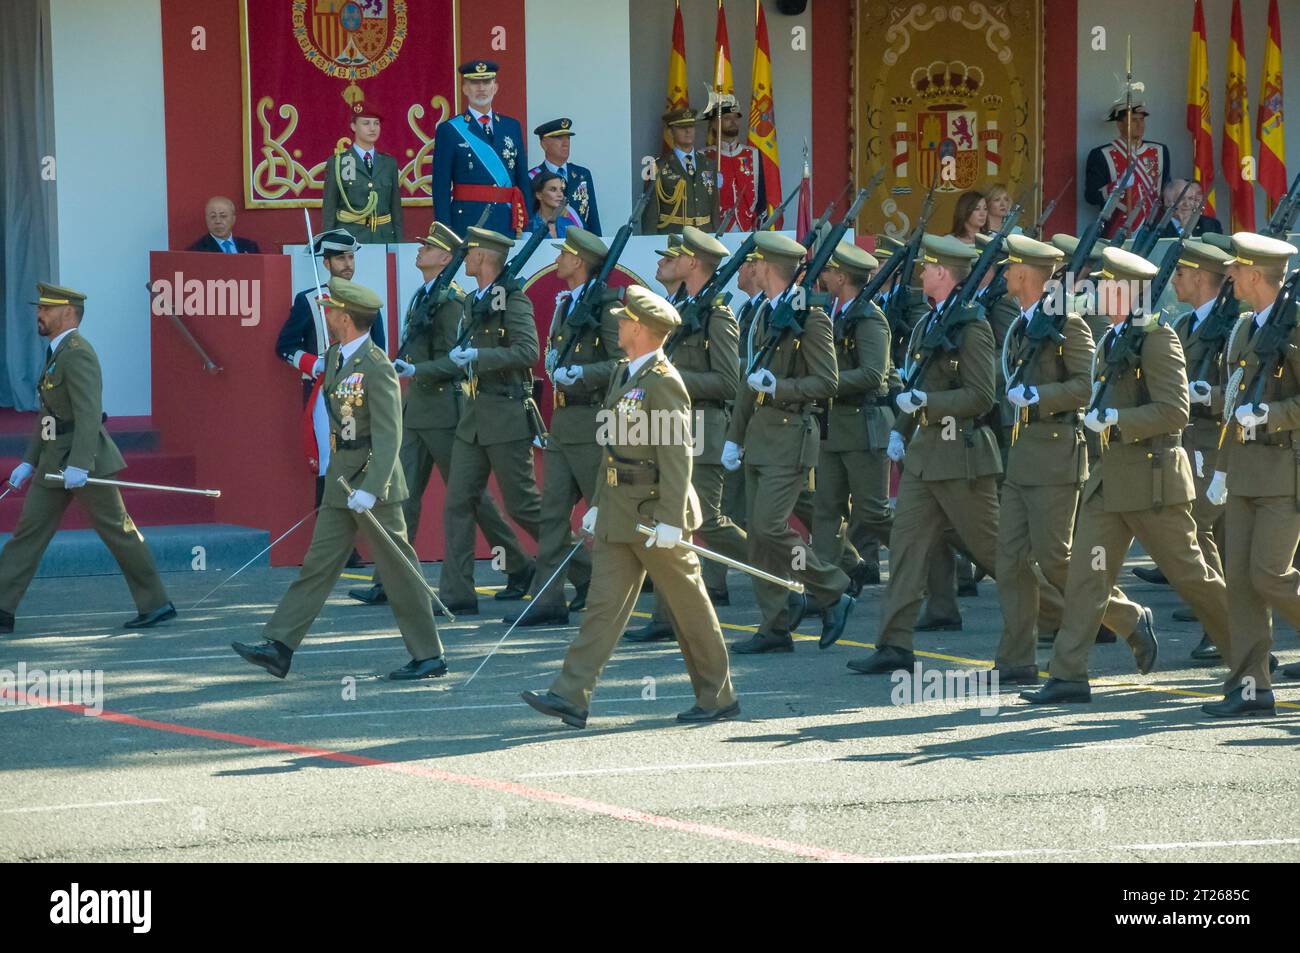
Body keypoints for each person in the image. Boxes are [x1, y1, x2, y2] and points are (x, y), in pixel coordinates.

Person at [1021, 246, 1233, 704]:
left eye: (1106, 283)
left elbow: (1174, 411)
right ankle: (1068, 674)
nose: (1097, 290)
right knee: (1087, 575)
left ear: (1126, 291)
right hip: (1110, 482)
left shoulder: (1156, 338)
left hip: (1152, 482)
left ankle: (1250, 654)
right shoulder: (1114, 338)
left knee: (1191, 576)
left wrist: (1115, 418)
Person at [521, 286, 739, 728]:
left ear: (640, 329)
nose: (618, 324)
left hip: (657, 514)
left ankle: (718, 696)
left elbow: (678, 453)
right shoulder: (625, 373)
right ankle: (571, 695)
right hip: (621, 510)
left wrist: (673, 520)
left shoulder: (663, 381)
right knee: (603, 606)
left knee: (689, 608)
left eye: (624, 320)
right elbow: (611, 451)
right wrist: (598, 503)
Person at [231, 277, 447, 681]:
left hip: (372, 485)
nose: (326, 313)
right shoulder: (334, 358)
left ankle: (429, 654)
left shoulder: (376, 364)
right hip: (341, 481)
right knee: (318, 564)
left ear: (345, 317)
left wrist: (371, 487)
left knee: (399, 572)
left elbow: (388, 434)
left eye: (331, 309)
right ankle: (280, 646)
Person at [349, 223, 531, 610]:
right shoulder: (425, 296)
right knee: (401, 498)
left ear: (446, 258)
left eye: (429, 247)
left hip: (447, 412)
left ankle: (518, 564)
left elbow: (455, 358)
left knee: (470, 499)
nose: (420, 251)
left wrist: (418, 370)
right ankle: (388, 579)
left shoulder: (451, 301)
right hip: (418, 412)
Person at [988, 235, 1145, 684]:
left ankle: (1128, 617)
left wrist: (1039, 395)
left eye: (1010, 267)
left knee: (1057, 559)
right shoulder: (1023, 324)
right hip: (1022, 456)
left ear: (1026, 274)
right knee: (1010, 560)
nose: (1004, 274)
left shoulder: (1069, 325)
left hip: (1056, 453)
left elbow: (1084, 386)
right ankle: (1016, 659)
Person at [847, 236, 1001, 675]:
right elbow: (917, 384)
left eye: (929, 267)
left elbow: (981, 396)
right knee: (908, 552)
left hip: (961, 457)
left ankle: (1073, 615)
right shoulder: (928, 324)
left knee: (995, 553)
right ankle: (894, 645)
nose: (922, 273)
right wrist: (901, 428)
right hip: (922, 457)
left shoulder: (971, 326)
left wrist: (926, 407)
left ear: (944, 275)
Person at [0, 284, 174, 635]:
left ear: (67, 313)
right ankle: (2, 608)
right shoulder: (57, 352)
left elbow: (88, 413)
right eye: (40, 308)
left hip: (85, 461)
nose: (39, 314)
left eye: (46, 309)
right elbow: (48, 416)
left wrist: (80, 464)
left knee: (118, 532)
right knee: (28, 533)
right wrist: (29, 461)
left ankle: (156, 603)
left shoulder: (78, 352)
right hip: (54, 461)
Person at [725, 232, 855, 654]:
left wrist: (779, 385)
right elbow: (747, 384)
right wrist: (735, 437)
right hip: (761, 436)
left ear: (768, 267)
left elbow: (827, 382)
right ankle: (774, 623)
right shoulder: (763, 313)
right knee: (759, 537)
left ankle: (833, 587)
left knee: (769, 527)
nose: (751, 269)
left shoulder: (811, 318)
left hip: (791, 434)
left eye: (757, 263)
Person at [626, 226, 744, 641]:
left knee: (709, 521)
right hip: (673, 429)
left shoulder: (717, 314)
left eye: (675, 256)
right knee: (668, 517)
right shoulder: (677, 309)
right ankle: (665, 617)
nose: (666, 261)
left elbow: (729, 382)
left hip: (704, 428)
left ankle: (797, 575)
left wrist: (670, 378)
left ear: (692, 263)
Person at [504, 227, 623, 627]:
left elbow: (621, 365)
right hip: (564, 420)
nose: (559, 259)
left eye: (565, 254)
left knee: (604, 515)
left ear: (580, 261)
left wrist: (583, 373)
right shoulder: (566, 304)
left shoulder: (605, 307)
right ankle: (547, 599)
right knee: (552, 515)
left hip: (592, 420)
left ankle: (611, 596)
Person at [1202, 232, 1300, 715]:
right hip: (1242, 472)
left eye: (1237, 268)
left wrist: (1272, 415)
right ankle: (1251, 688)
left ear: (1257, 274)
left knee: (1271, 578)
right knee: (1240, 583)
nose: (1230, 276)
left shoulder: (1296, 327)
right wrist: (1221, 469)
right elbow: (1232, 405)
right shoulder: (1243, 328)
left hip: (1285, 474)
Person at [439, 225, 556, 610]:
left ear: (486, 256)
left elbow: (527, 352)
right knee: (458, 502)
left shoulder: (513, 299)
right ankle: (457, 594)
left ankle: (583, 570)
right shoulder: (476, 300)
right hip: (474, 417)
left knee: (522, 504)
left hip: (506, 413)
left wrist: (480, 358)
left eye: (471, 251)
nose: (466, 257)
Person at [1138, 240, 1235, 654]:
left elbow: (1242, 390)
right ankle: (1234, 626)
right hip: (1191, 443)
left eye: (1180, 274)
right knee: (1214, 535)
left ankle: (1225, 630)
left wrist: (1208, 395)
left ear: (1199, 277)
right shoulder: (1183, 326)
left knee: (1199, 530)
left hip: (1219, 445)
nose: (1174, 281)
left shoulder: (1232, 327)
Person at [275, 229, 385, 492]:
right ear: (326, 263)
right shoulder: (309, 300)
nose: (347, 265)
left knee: (360, 459)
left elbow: (380, 348)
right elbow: (284, 346)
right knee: (328, 460)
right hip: (324, 390)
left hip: (360, 390)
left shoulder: (367, 302)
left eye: (350, 258)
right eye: (340, 259)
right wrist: (314, 364)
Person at [811, 242, 894, 592]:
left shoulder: (869, 318)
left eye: (828, 270)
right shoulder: (837, 313)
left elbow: (874, 374)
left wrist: (824, 384)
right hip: (835, 427)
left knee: (873, 511)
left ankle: (928, 556)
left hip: (863, 424)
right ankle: (829, 586)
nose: (823, 276)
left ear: (842, 276)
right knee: (826, 511)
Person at [431, 59, 531, 237]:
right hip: (468, 221)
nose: (481, 88)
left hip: (506, 220)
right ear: (465, 89)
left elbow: (522, 179)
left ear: (495, 87)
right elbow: (441, 186)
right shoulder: (450, 130)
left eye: (487, 82)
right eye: (474, 83)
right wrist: (445, 231)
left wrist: (527, 227)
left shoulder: (511, 126)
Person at [1084, 92, 1171, 236]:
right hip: (1118, 227)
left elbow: (1165, 188)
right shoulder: (1101, 154)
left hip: (1152, 226)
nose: (1140, 125)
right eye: (1134, 120)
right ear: (1119, 124)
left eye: (1142, 120)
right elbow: (1091, 196)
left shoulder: (1160, 151)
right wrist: (1118, 186)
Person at [321, 98, 403, 244]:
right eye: (366, 123)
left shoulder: (389, 163)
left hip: (383, 238)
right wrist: (330, 245)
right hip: (351, 238)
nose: (372, 128)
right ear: (353, 126)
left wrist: (399, 243)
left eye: (376, 123)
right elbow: (329, 210)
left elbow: (396, 209)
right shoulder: (340, 162)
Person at [643, 108, 718, 235]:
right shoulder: (658, 166)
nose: (688, 131)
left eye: (691, 126)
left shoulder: (708, 164)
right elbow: (650, 214)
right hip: (674, 237)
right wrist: (651, 244)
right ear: (670, 132)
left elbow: (714, 207)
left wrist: (717, 235)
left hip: (705, 238)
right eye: (681, 128)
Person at [527, 118, 601, 234]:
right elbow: (530, 218)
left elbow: (593, 219)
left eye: (568, 138)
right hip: (547, 242)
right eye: (559, 138)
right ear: (544, 144)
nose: (565, 143)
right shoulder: (532, 178)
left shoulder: (583, 175)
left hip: (581, 246)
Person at [700, 94, 762, 231]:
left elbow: (761, 196)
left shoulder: (752, 154)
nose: (733, 121)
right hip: (715, 228)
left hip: (747, 227)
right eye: (727, 118)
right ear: (714, 125)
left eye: (735, 118)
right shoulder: (704, 156)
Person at [187, 196, 260, 253]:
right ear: (206, 219)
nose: (218, 221)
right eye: (213, 216)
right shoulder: (196, 250)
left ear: (233, 219)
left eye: (223, 216)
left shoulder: (250, 247)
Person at [1158, 179, 1224, 238]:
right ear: (1167, 201)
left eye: (1190, 198)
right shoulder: (1155, 228)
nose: (1187, 204)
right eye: (1181, 198)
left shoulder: (1211, 225)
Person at [526, 170, 581, 238]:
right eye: (553, 189)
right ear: (539, 195)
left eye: (561, 190)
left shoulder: (568, 224)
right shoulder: (529, 227)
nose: (560, 195)